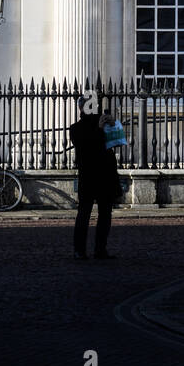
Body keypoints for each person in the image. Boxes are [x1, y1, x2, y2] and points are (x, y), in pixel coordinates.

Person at [70, 90, 121, 260]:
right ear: (82, 108)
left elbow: (118, 141)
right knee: (84, 213)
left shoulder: (105, 124)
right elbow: (88, 147)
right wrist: (99, 129)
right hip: (89, 175)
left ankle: (101, 249)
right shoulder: (76, 129)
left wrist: (114, 125)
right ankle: (79, 250)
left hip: (106, 174)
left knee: (105, 214)